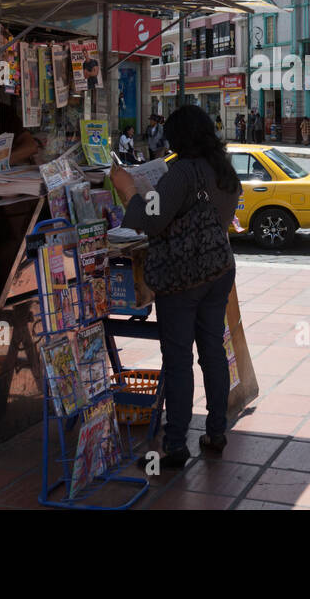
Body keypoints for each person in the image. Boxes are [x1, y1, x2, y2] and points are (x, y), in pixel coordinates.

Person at [108, 105, 241, 470]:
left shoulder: (182, 171)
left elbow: (149, 221)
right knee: (212, 351)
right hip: (219, 269)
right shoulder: (222, 168)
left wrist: (129, 189)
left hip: (183, 278)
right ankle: (216, 431)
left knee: (179, 358)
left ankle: (175, 445)